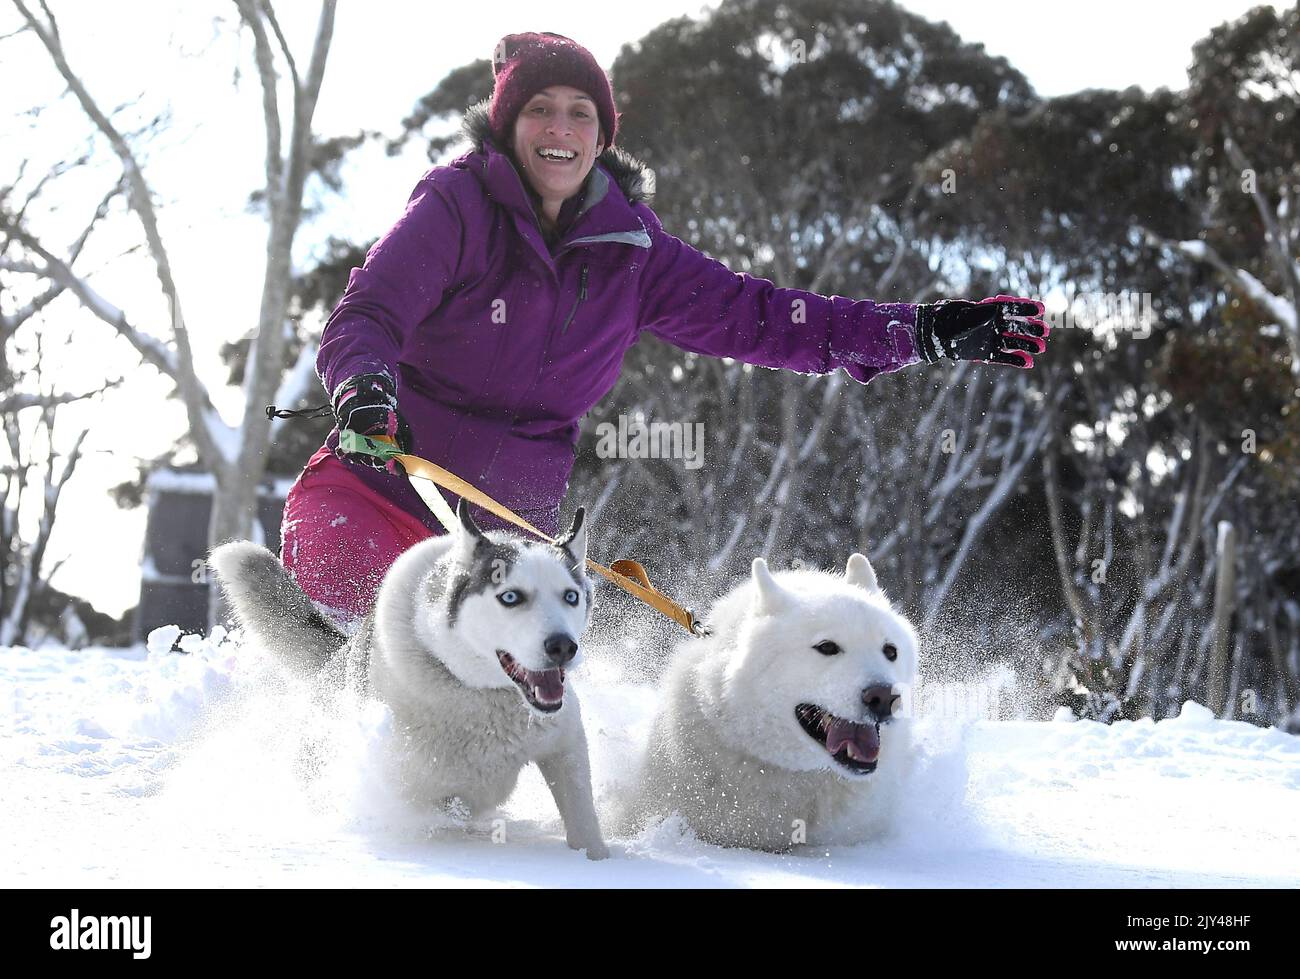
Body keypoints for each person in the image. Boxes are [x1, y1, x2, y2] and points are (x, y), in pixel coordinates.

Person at [280, 31, 1049, 620]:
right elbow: (369, 311)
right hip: (377, 490)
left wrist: (919, 330)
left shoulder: (634, 255)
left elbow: (766, 317)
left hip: (501, 544)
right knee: (364, 642)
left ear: (601, 136)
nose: (560, 126)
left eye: (580, 113)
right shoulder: (456, 209)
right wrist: (365, 388)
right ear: (509, 125)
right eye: (540, 109)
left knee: (481, 692)